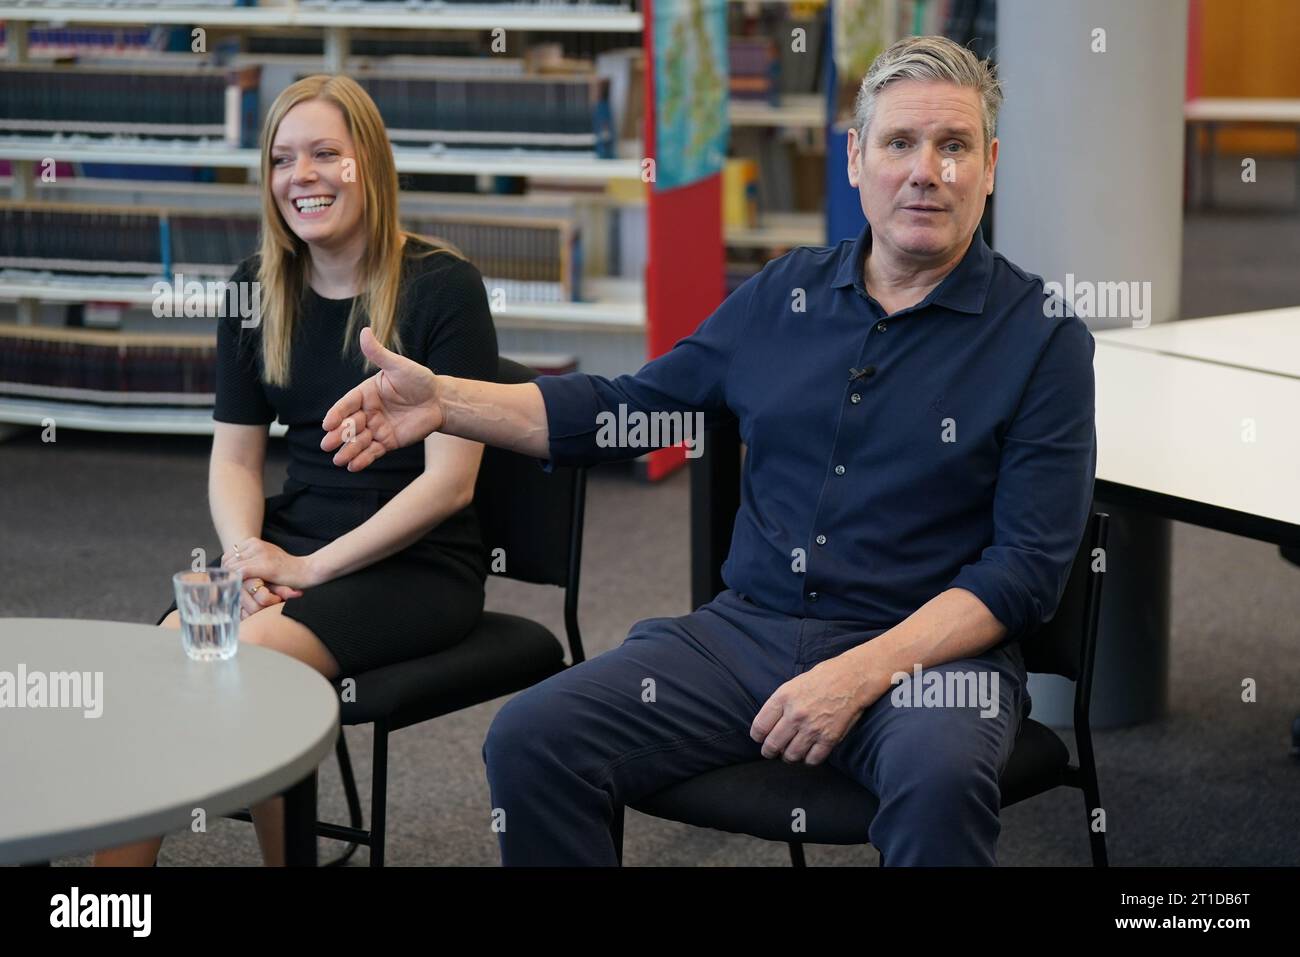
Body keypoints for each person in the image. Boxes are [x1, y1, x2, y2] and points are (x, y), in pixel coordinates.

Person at [320, 36, 1097, 866]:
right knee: (534, 736)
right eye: (900, 143)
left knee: (938, 781)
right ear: (855, 159)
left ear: (990, 165)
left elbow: (1022, 572)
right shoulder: (782, 294)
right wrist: (445, 401)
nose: (925, 171)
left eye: (954, 146)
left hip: (933, 654)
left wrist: (863, 671)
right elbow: (629, 408)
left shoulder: (1043, 339)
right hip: (749, 634)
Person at [94, 75, 497, 866]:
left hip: (416, 562)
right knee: (166, 659)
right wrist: (246, 555)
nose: (300, 176)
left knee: (248, 667)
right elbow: (235, 454)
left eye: (324, 155)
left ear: (367, 166)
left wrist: (306, 568)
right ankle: (110, 909)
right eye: (282, 159)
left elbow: (451, 483)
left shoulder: (444, 288)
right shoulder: (256, 288)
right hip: (291, 538)